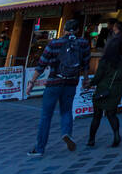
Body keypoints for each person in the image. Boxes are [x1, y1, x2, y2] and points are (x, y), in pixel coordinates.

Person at [27, 19, 91, 156]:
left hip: (54, 82)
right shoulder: (84, 43)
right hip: (71, 83)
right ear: (78, 30)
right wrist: (85, 79)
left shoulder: (54, 43)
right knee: (67, 111)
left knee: (46, 115)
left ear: (64, 30)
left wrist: (31, 82)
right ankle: (66, 133)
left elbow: (41, 64)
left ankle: (39, 148)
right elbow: (86, 63)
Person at [87, 20, 122, 147]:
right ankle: (116, 135)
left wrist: (90, 84)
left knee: (97, 116)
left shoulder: (105, 60)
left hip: (103, 88)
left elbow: (98, 76)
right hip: (116, 89)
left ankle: (91, 140)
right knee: (112, 114)